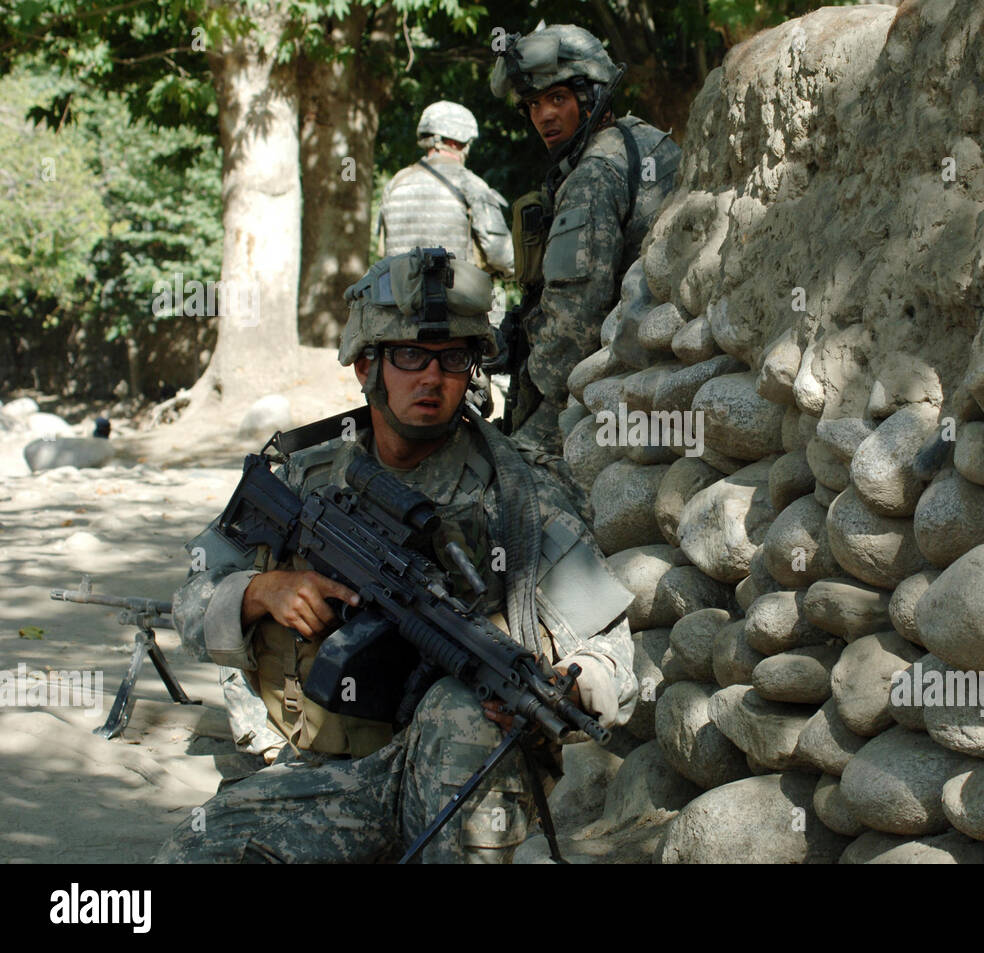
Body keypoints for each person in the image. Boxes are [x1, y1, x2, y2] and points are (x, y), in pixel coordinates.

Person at [158, 248, 635, 863]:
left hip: (459, 776)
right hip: (321, 774)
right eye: (409, 356)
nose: (431, 379)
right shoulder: (306, 477)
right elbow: (190, 600)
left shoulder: (521, 494)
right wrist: (259, 592)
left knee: (461, 710)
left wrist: (574, 684)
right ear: (366, 365)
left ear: (474, 369)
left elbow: (618, 654)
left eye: (453, 359)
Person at [489, 25, 681, 454]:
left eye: (558, 98)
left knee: (511, 473)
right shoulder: (647, 139)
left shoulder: (593, 175)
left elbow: (574, 326)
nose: (544, 116)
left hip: (613, 375)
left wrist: (532, 399)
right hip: (656, 359)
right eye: (534, 105)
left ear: (592, 95)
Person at [376, 101, 514, 279]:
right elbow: (501, 255)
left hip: (398, 301)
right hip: (454, 301)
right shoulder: (469, 183)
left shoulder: (395, 183)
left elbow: (383, 252)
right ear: (457, 141)